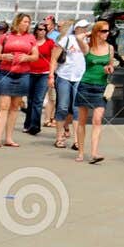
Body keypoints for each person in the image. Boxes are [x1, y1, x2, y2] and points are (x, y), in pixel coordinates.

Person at [0, 13, 38, 148]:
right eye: (25, 21)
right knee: (3, 106)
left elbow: (35, 56)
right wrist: (3, 55)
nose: (27, 24)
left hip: (23, 74)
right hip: (6, 73)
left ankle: (9, 138)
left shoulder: (31, 38)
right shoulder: (5, 37)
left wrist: (26, 58)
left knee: (14, 107)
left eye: (28, 22)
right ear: (17, 22)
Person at [74, 20, 113, 165]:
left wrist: (109, 68)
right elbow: (78, 38)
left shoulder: (110, 48)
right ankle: (81, 152)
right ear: (97, 32)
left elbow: (110, 64)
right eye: (103, 31)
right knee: (82, 121)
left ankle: (95, 152)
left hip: (101, 87)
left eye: (108, 31)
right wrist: (91, 32)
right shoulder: (87, 47)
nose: (107, 33)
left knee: (97, 120)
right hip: (85, 85)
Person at [52, 18, 87, 150]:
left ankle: (77, 140)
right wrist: (51, 75)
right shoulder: (66, 39)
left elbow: (87, 53)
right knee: (62, 107)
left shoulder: (87, 41)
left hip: (80, 77)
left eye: (86, 27)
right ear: (76, 28)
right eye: (81, 27)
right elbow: (54, 58)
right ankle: (59, 137)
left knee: (77, 109)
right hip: (64, 75)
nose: (84, 30)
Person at [24, 28, 56, 136]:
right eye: (40, 29)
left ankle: (35, 126)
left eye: (44, 30)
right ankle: (27, 124)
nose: (42, 31)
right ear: (36, 31)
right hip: (30, 72)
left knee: (38, 100)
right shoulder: (31, 41)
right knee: (30, 100)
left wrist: (52, 74)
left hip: (44, 73)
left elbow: (53, 59)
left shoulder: (50, 42)